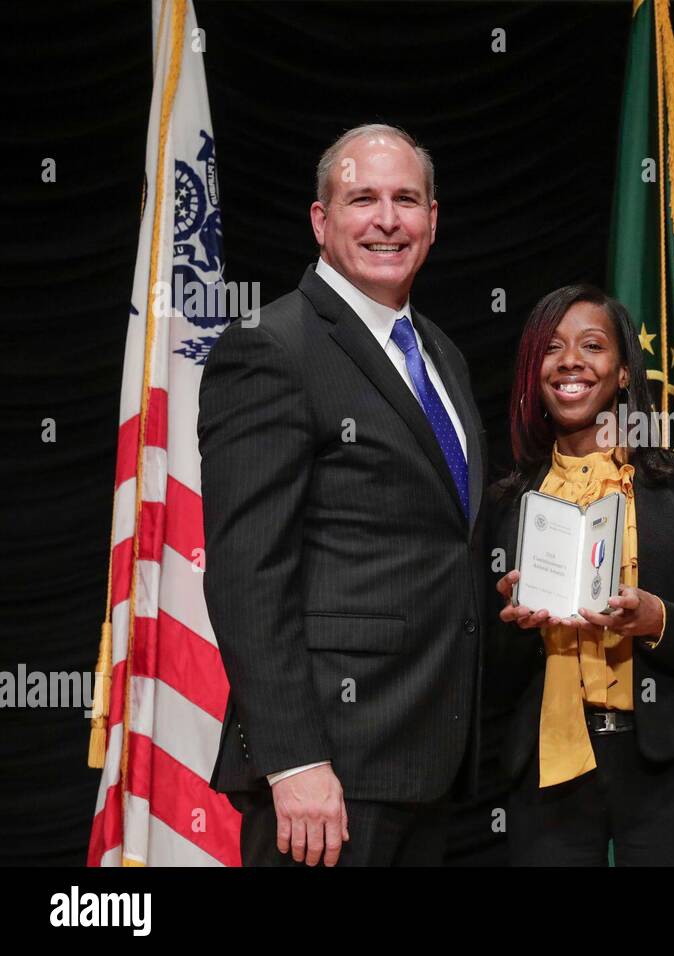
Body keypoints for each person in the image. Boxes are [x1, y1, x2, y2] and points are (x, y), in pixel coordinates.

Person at [198, 124, 487, 866]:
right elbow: (246, 573)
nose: (387, 219)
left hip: (429, 767)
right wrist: (292, 761)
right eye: (362, 199)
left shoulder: (441, 356)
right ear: (321, 222)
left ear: (433, 220)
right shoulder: (272, 347)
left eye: (406, 200)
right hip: (327, 776)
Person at [487, 283, 674, 866]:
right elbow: (487, 675)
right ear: (536, 372)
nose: (571, 362)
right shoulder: (510, 503)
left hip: (665, 768)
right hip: (547, 771)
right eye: (552, 348)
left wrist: (659, 622)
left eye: (592, 345)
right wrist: (516, 625)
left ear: (625, 371)